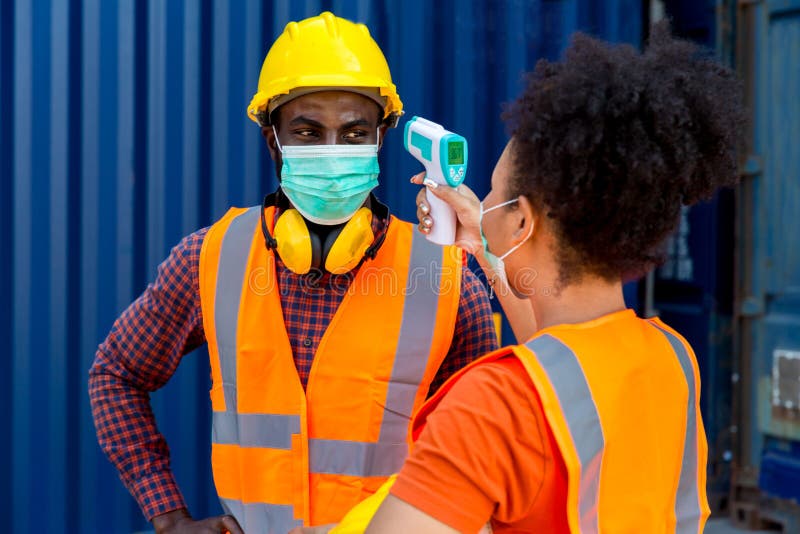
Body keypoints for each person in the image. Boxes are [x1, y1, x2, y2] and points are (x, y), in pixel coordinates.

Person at [299, 24, 745, 533]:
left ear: (522, 220)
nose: (483, 204)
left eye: (492, 191)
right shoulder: (671, 359)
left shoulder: (494, 405)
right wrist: (483, 245)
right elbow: (561, 362)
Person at [88, 12, 498, 534]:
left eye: (354, 133)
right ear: (272, 141)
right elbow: (115, 374)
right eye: (306, 132)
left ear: (380, 139)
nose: (332, 150)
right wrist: (168, 518)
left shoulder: (446, 277)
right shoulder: (208, 259)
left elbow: (489, 443)